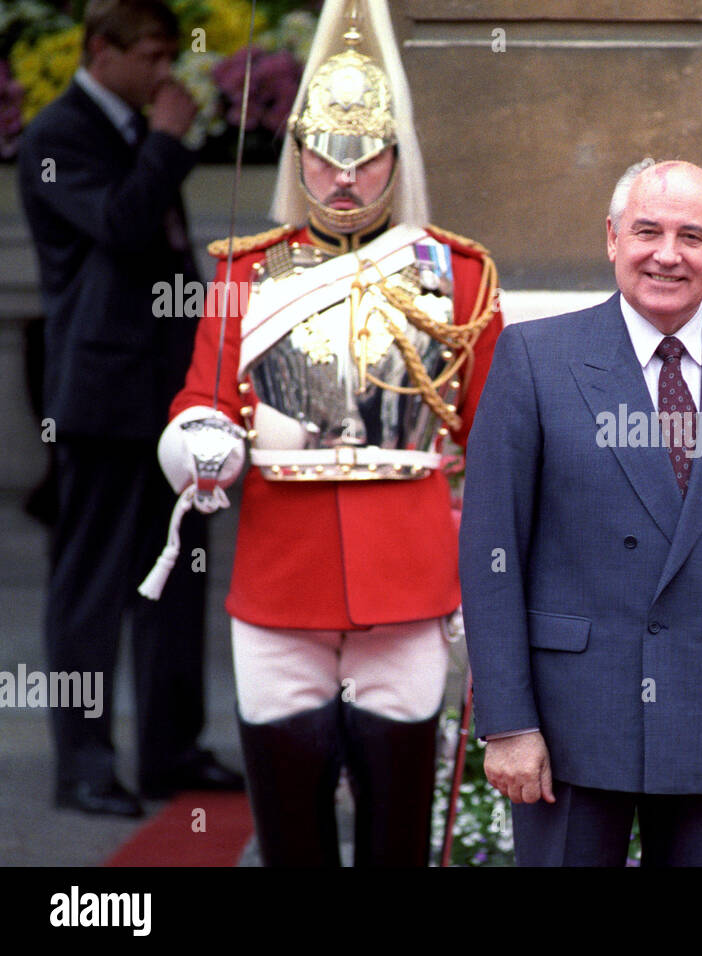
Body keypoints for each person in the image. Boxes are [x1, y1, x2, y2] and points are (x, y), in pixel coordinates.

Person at [154, 0, 501, 866]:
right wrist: (201, 443)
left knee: (396, 835)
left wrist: (483, 574)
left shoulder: (457, 274)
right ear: (298, 149)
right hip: (282, 575)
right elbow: (200, 397)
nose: (344, 175)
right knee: (291, 832)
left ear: (395, 156)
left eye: (365, 156)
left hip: (408, 577)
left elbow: (493, 442)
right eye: (325, 153)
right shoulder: (245, 271)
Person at [459, 158, 702, 867]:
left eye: (693, 236)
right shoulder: (536, 357)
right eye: (647, 231)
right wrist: (506, 724)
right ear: (611, 239)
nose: (667, 254)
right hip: (571, 722)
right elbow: (491, 554)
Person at [16, 0, 241, 818]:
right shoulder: (59, 136)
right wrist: (171, 142)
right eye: (150, 55)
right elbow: (119, 223)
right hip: (102, 395)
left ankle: (172, 752)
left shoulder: (131, 131)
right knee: (92, 586)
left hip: (169, 397)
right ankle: (82, 764)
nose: (164, 73)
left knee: (176, 576)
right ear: (99, 51)